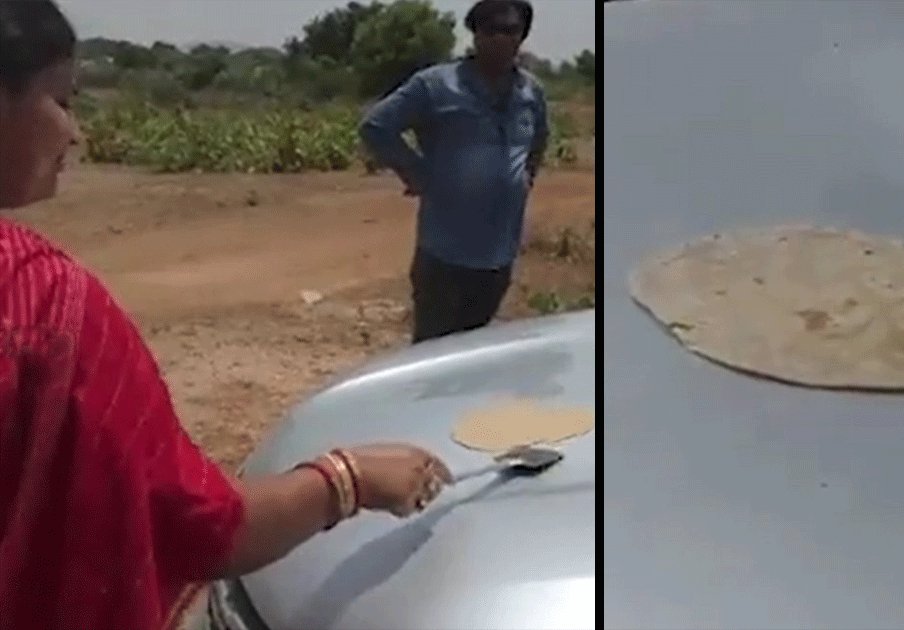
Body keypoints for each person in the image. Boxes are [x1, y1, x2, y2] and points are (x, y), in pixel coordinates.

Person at [0, 2, 453, 628]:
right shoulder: (45, 306)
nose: (74, 133)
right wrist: (350, 478)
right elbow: (198, 527)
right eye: (62, 101)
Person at [359, 0, 550, 343]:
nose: (500, 39)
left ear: (521, 37)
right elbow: (376, 125)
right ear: (475, 34)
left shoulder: (531, 92)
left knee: (473, 351)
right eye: (489, 29)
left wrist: (524, 178)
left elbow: (538, 140)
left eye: (510, 31)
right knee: (433, 353)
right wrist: (415, 172)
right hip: (445, 252)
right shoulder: (435, 85)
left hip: (499, 254)